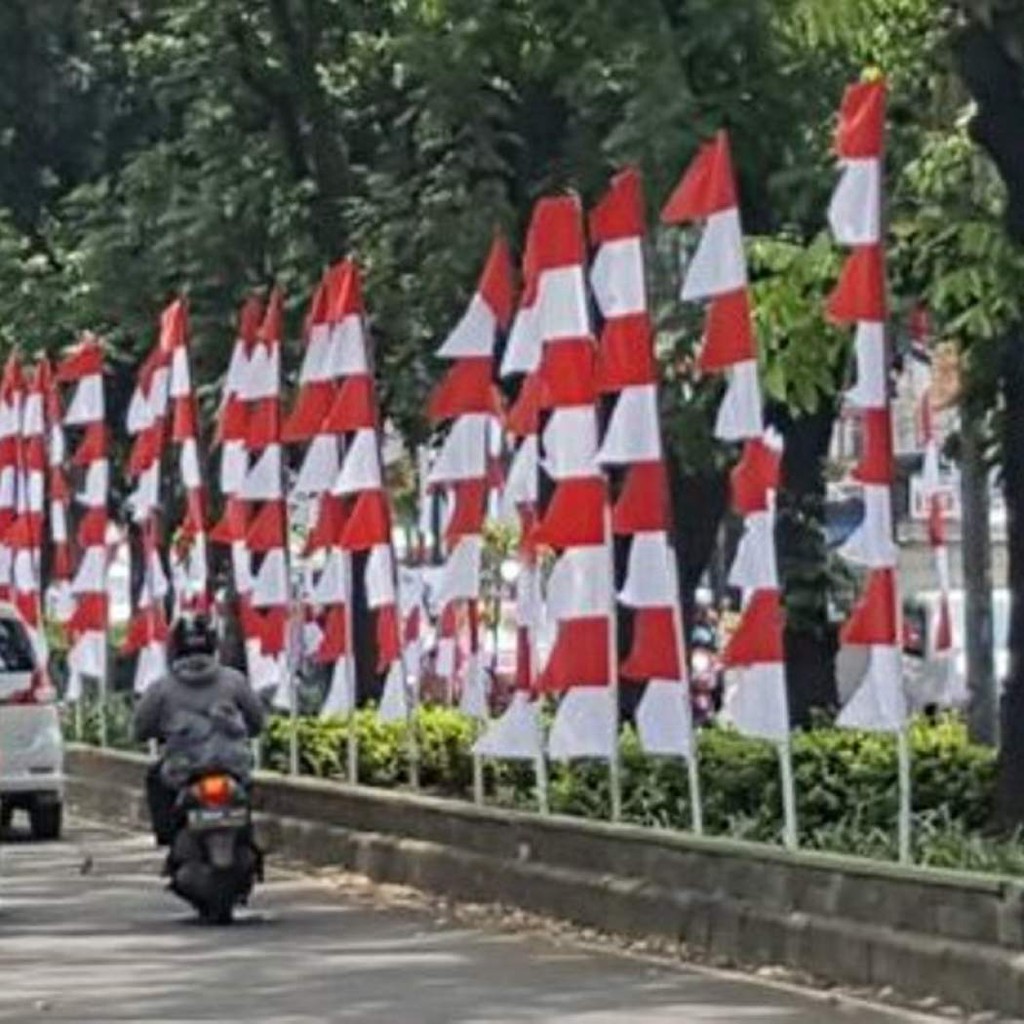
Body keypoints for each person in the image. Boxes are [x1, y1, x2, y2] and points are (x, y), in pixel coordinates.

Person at [134, 612, 265, 844]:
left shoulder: (161, 688)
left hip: (183, 769)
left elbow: (140, 728)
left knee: (155, 778)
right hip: (232, 765)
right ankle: (250, 842)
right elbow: (257, 721)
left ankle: (168, 837)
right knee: (248, 792)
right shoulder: (234, 680)